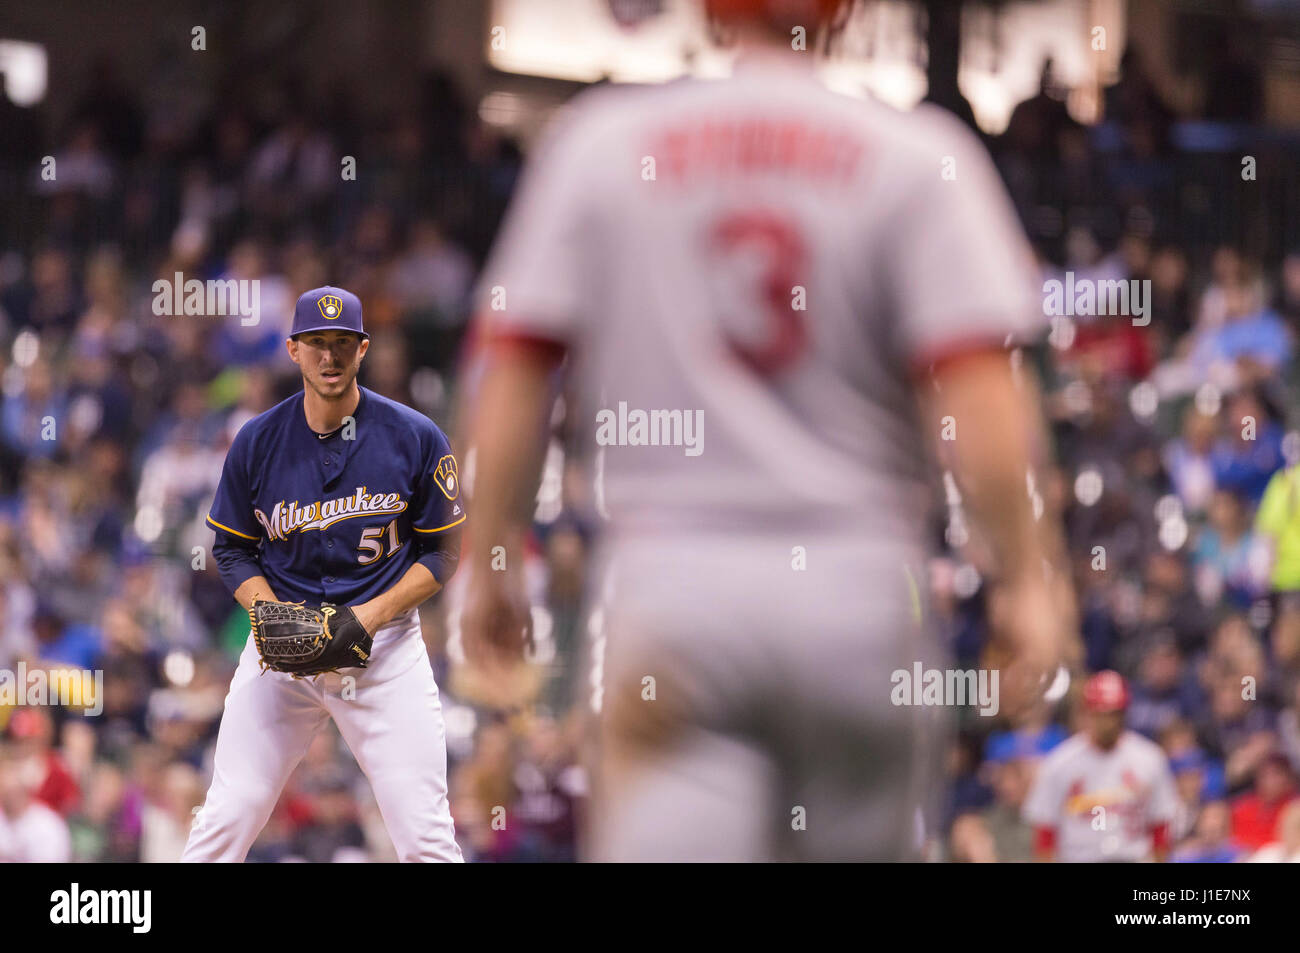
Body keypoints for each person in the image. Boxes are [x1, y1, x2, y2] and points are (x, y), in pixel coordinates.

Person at [459, 0, 1073, 860]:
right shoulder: (918, 156)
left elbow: (514, 370)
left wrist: (489, 562)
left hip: (672, 582)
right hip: (859, 582)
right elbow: (985, 402)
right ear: (846, 16)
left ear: (711, 13)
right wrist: (1029, 579)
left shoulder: (600, 144)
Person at [181, 286, 464, 862]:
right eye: (316, 344)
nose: (329, 358)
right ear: (293, 350)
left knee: (426, 838)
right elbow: (231, 550)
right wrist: (269, 613)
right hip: (283, 658)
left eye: (342, 344)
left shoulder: (415, 436)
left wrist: (369, 616)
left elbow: (442, 553)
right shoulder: (257, 441)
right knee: (226, 819)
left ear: (364, 349)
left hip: (384, 655)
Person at [1023, 671, 1179, 862]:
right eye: (1101, 714)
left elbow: (1161, 825)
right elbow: (1045, 833)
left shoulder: (1149, 758)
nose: (1108, 723)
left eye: (1114, 714)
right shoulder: (1060, 763)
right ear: (1088, 713)